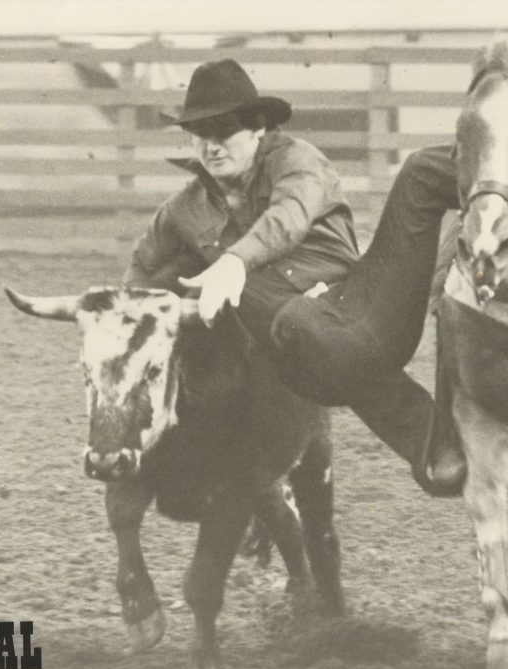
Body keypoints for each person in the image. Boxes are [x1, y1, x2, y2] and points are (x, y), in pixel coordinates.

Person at [124, 59, 464, 495]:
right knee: (274, 312)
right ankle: (436, 443)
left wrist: (233, 262)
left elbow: (290, 216)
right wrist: (109, 319)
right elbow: (138, 276)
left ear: (257, 127)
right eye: (199, 133)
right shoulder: (181, 211)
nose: (211, 145)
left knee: (418, 169)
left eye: (224, 130)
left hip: (363, 309)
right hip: (297, 354)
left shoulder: (296, 160)